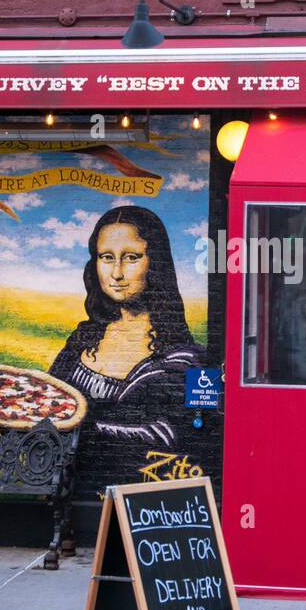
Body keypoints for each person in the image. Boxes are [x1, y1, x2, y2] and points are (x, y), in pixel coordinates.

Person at [49, 205, 202, 482]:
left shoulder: (180, 357)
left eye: (131, 258)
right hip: (66, 485)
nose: (116, 273)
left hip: (138, 490)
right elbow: (47, 397)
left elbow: (168, 435)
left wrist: (78, 428)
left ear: (155, 263)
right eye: (107, 257)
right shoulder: (84, 338)